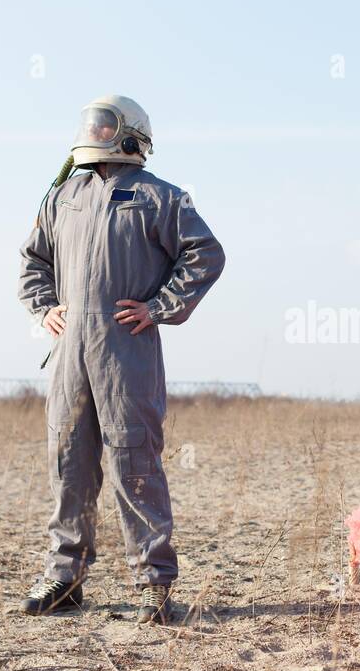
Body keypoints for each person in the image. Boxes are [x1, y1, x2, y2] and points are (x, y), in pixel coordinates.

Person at [17, 95, 225, 622]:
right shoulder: (62, 197)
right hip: (69, 356)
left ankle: (154, 587)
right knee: (69, 463)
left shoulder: (161, 198)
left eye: (107, 124)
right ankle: (65, 579)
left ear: (132, 133)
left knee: (135, 463)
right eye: (93, 122)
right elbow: (32, 261)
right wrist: (45, 309)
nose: (98, 131)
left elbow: (206, 253)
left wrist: (160, 307)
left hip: (126, 353)